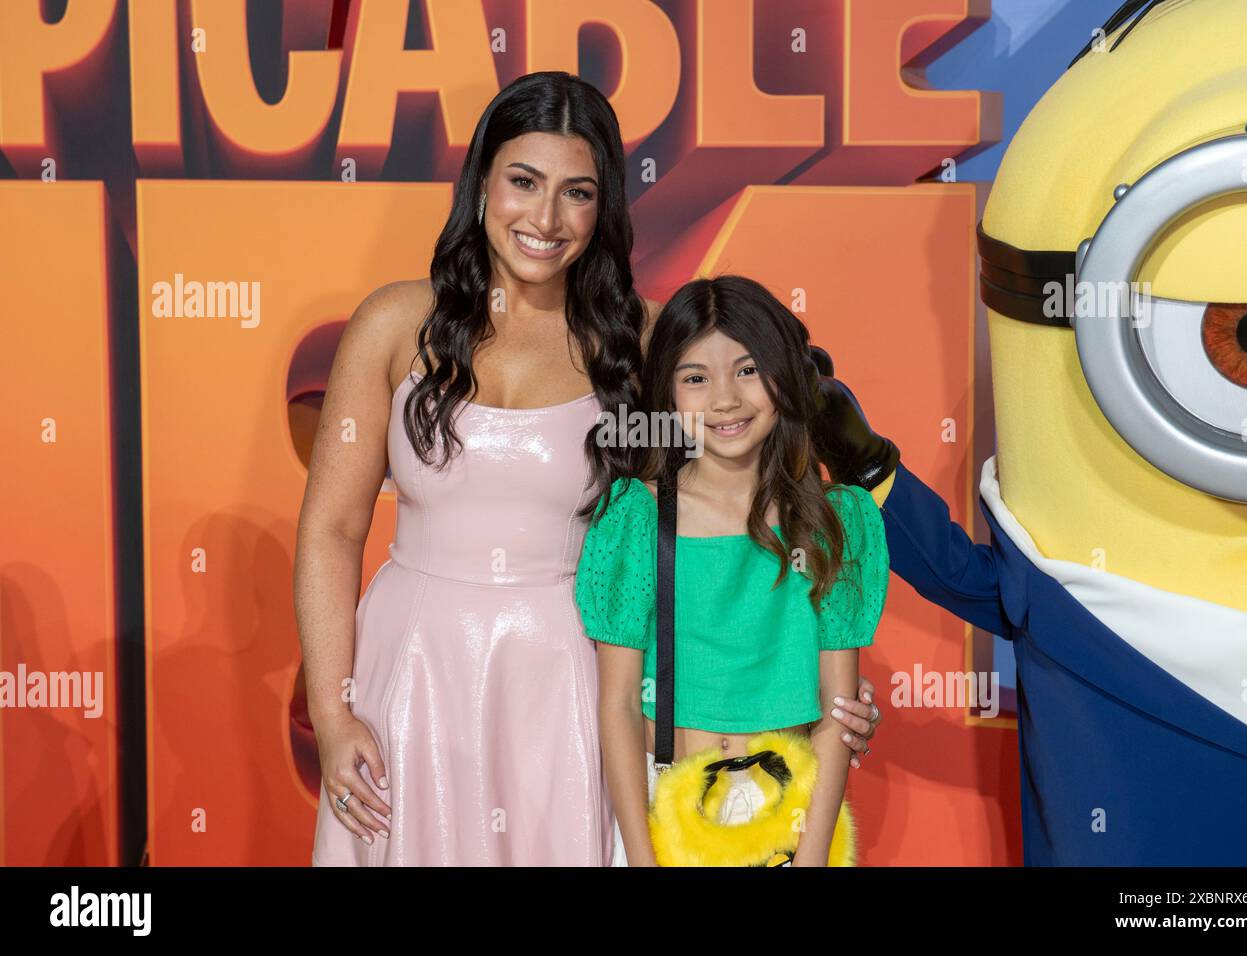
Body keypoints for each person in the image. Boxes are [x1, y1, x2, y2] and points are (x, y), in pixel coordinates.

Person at [297, 71, 881, 866]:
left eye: (576, 192)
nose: (545, 218)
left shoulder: (640, 344)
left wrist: (810, 690)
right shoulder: (395, 324)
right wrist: (335, 716)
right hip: (412, 671)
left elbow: (725, 526)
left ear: (603, 207)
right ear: (481, 184)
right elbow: (332, 530)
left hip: (577, 680)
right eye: (523, 182)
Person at [576, 276, 889, 866]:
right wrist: (644, 860)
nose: (725, 399)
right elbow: (617, 703)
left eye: (747, 371)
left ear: (785, 377)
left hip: (787, 816)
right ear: (665, 394)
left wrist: (812, 857)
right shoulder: (637, 519)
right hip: (668, 810)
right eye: (696, 378)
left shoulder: (832, 522)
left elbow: (836, 709)